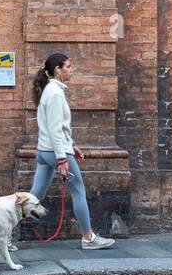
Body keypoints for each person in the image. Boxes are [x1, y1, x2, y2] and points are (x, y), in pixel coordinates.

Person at [30, 52, 115, 249]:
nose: (72, 70)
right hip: (55, 152)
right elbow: (55, 129)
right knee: (78, 192)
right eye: (69, 66)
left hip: (45, 151)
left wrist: (72, 145)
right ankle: (88, 238)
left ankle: (4, 235)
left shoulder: (51, 91)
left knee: (34, 197)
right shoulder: (55, 94)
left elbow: (59, 127)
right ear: (58, 70)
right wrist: (62, 158)